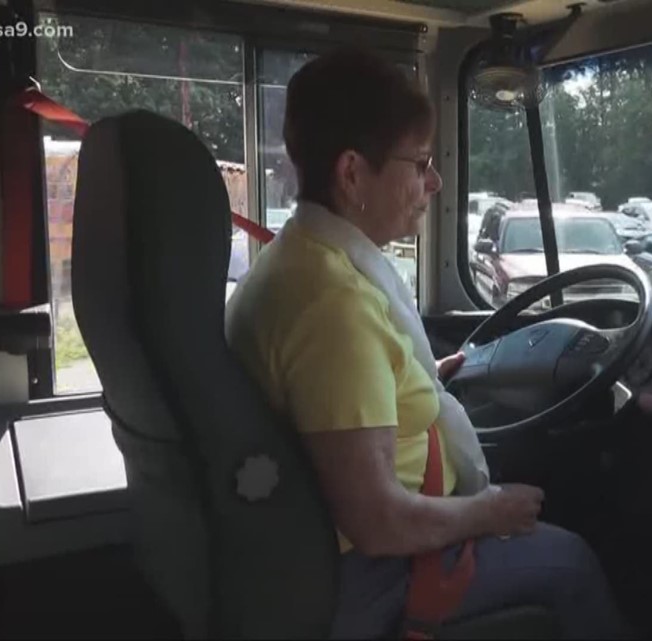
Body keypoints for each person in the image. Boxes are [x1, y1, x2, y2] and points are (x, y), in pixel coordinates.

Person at [224, 46, 627, 639]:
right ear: (353, 174)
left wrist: (417, 375)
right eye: (418, 162)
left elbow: (336, 395)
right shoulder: (333, 306)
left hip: (330, 551)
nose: (433, 182)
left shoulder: (301, 259)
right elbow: (380, 522)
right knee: (570, 562)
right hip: (374, 574)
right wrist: (489, 511)